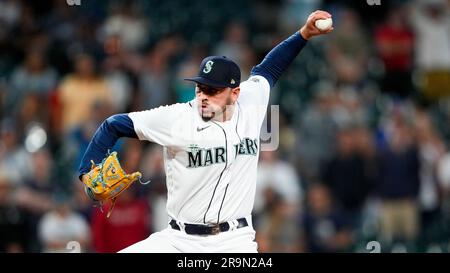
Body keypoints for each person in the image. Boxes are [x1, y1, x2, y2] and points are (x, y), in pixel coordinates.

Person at [78, 10, 333, 253]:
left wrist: (304, 34)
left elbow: (270, 68)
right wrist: (86, 172)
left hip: (235, 241)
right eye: (201, 88)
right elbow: (113, 125)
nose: (203, 96)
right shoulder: (176, 117)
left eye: (213, 91)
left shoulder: (252, 100)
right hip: (178, 240)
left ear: (235, 93)